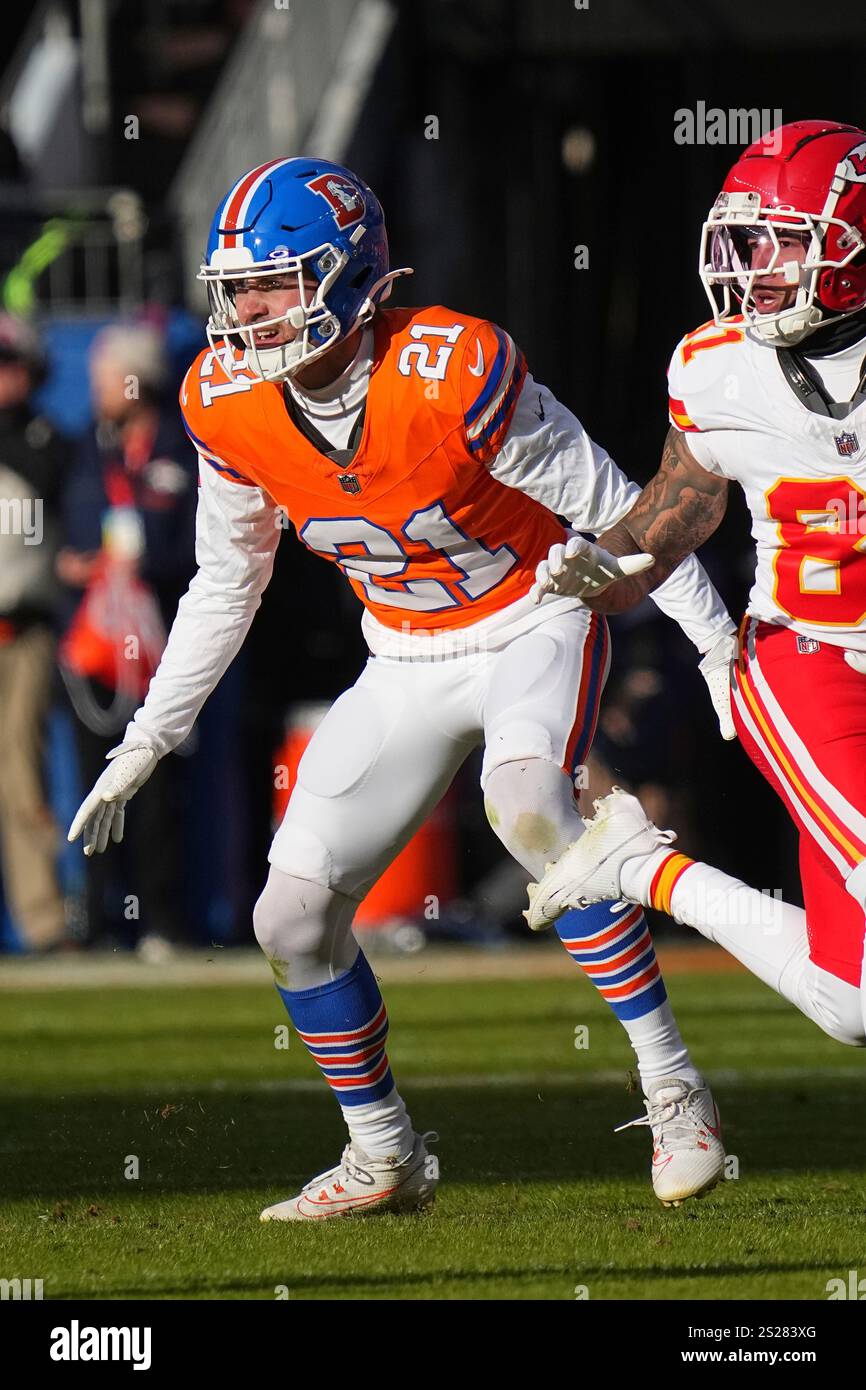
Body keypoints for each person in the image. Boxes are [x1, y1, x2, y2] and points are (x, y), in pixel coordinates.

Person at [68, 157, 737, 1218]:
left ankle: (672, 1083)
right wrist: (149, 735)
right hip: (407, 651)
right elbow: (227, 579)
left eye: (272, 283)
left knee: (528, 807)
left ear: (349, 278)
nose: (245, 311)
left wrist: (712, 647)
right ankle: (383, 1153)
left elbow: (627, 508)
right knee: (286, 917)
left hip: (532, 616)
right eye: (234, 288)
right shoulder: (224, 396)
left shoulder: (448, 368)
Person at [528, 120, 866, 1056]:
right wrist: (603, 565)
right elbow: (677, 511)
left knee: (855, 1004)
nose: (759, 265)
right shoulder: (717, 367)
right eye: (747, 241)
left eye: (785, 241)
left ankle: (639, 866)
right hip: (808, 662)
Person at [59, 323, 198, 954]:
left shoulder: (178, 449)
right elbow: (71, 530)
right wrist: (74, 563)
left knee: (158, 787)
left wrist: (142, 562)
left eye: (105, 380)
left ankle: (163, 920)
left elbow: (201, 552)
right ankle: (105, 922)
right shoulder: (91, 451)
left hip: (162, 644)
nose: (97, 393)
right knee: (97, 785)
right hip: (97, 646)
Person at [0, 314, 69, 950]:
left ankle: (43, 920)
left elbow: (41, 481)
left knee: (21, 776)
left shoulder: (45, 440)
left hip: (19, 630)